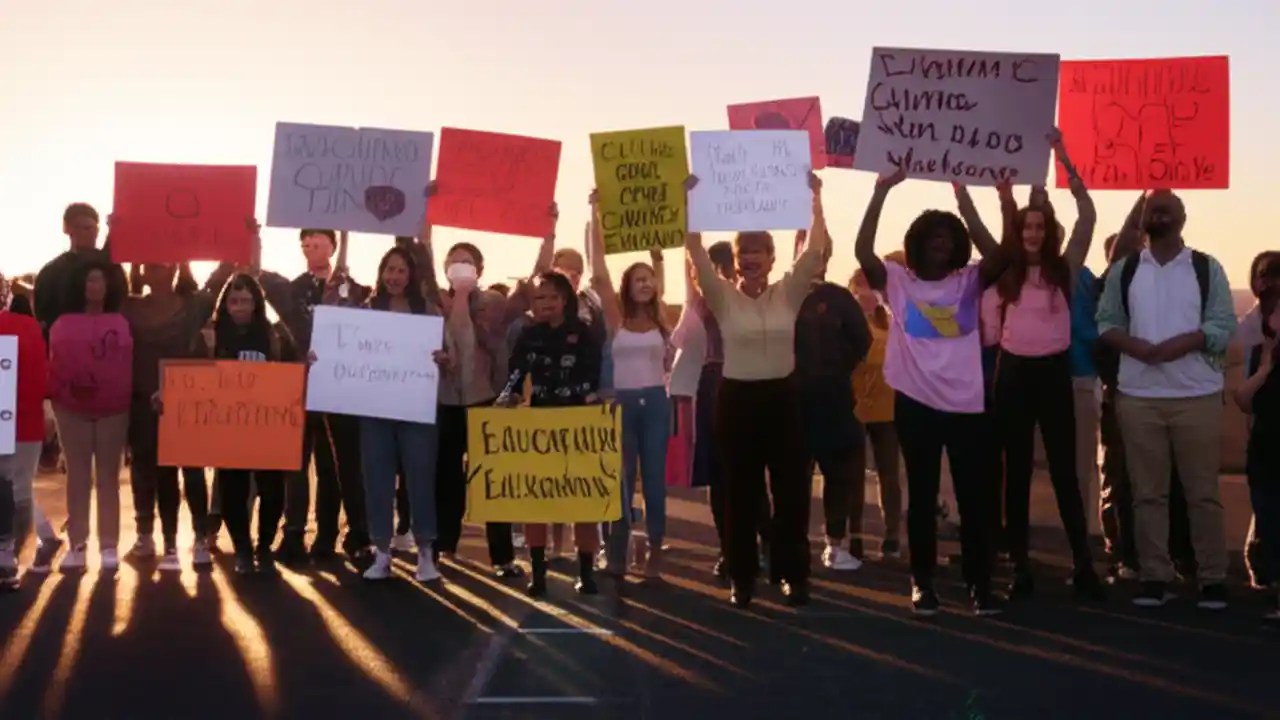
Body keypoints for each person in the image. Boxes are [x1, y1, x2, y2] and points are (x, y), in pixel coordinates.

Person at [956, 129, 1105, 600]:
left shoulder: (1067, 268)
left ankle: (1082, 562)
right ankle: (1019, 564)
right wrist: (961, 191)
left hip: (1054, 374)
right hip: (1013, 375)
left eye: (1040, 227)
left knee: (1064, 471)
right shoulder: (1006, 272)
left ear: (1049, 232)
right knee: (1015, 471)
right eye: (1027, 228)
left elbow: (1088, 215)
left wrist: (1062, 153)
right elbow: (978, 233)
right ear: (1019, 234)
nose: (1034, 234)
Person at [853, 165, 1004, 617]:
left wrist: (964, 199)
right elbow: (863, 249)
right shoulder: (898, 283)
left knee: (974, 498)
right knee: (920, 498)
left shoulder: (970, 281)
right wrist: (881, 191)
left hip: (965, 404)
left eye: (948, 235)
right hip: (916, 403)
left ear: (958, 243)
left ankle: (980, 585)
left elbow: (999, 252)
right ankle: (922, 583)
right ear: (918, 242)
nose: (941, 242)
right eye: (932, 235)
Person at [685, 170, 826, 609]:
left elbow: (817, 249)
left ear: (770, 257)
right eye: (744, 251)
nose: (750, 258)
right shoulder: (722, 295)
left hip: (783, 399)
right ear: (738, 258)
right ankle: (742, 576)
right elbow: (694, 251)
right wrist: (691, 203)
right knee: (740, 494)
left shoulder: (789, 293)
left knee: (791, 493)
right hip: (737, 400)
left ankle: (791, 575)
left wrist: (816, 199)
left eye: (758, 252)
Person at [1096, 189, 1237, 610]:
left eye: (1166, 207)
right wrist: (1138, 349)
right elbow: (1106, 321)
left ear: (1182, 216)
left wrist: (1183, 343)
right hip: (1139, 396)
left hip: (1197, 395)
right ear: (1142, 219)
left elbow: (1221, 324)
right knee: (1147, 494)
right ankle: (1155, 575)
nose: (1158, 213)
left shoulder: (1205, 268)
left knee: (1202, 493)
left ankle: (1212, 577)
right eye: (1150, 207)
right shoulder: (1125, 270)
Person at [317, 244, 453, 583]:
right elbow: (342, 348)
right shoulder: (366, 310)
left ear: (411, 275)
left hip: (417, 409)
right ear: (381, 274)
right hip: (375, 410)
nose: (394, 276)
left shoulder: (429, 312)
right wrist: (321, 360)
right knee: (375, 480)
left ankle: (425, 553)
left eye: (401, 270)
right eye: (389, 270)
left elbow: (448, 358)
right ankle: (382, 552)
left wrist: (444, 360)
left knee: (420, 479)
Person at [496, 272, 604, 597]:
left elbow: (593, 374)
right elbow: (515, 375)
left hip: (578, 423)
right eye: (539, 298)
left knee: (583, 501)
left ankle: (586, 571)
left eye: (552, 297)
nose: (546, 304)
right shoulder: (528, 336)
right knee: (536, 502)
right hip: (539, 424)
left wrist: (591, 397)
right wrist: (508, 397)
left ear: (565, 299)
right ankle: (538, 573)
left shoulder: (584, 334)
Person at [123, 257, 234, 571]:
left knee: (193, 471)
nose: (159, 268)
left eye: (165, 263)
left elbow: (222, 275)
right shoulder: (129, 308)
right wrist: (113, 233)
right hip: (143, 402)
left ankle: (199, 536)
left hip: (187, 404)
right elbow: (101, 275)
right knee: (147, 469)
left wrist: (247, 238)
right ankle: (149, 534)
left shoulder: (193, 305)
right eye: (152, 264)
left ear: (176, 268)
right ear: (141, 270)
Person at [271, 228, 371, 564]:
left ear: (334, 244)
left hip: (339, 388)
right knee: (296, 464)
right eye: (306, 242)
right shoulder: (292, 288)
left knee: (333, 467)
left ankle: (327, 537)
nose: (311, 247)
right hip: (298, 384)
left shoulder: (355, 290)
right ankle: (295, 533)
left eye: (319, 241)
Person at [588, 190, 671, 578]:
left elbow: (664, 275)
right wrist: (596, 211)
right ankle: (616, 551)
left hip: (655, 404)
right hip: (621, 403)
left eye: (650, 279)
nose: (646, 284)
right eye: (639, 279)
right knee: (619, 480)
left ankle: (656, 546)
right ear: (628, 285)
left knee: (654, 478)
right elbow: (599, 270)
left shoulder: (662, 319)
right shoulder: (615, 319)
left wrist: (658, 256)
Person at [199, 272, 298, 574]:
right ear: (225, 304)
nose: (239, 307)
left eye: (246, 301)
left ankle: (264, 546)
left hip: (268, 426)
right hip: (229, 428)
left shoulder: (275, 336)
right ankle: (242, 546)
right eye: (233, 301)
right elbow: (194, 376)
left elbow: (294, 369)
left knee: (271, 490)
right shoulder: (213, 335)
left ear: (257, 304)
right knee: (232, 490)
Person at [48, 257, 132, 572]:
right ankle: (77, 543)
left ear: (108, 285)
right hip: (71, 408)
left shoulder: (123, 320)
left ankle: (108, 545)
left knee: (108, 477)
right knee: (78, 476)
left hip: (115, 407)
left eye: (98, 279)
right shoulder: (62, 322)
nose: (94, 286)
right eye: (88, 280)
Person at [793, 233, 871, 570]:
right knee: (792, 478)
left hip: (835, 399)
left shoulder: (840, 298)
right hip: (792, 400)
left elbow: (863, 342)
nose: (813, 255)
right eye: (806, 247)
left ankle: (834, 545)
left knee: (838, 476)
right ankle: (790, 547)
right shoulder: (783, 295)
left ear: (827, 256)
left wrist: (837, 368)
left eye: (820, 250)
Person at [1233, 250, 1280, 589]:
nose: (1269, 283)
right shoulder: (1254, 332)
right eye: (1263, 276)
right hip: (1264, 441)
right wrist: (1265, 366)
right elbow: (1244, 401)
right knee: (1266, 510)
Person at [850, 267, 903, 559]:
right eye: (859, 285)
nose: (865, 292)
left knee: (889, 474)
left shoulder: (891, 320)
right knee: (854, 475)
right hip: (857, 407)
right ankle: (854, 534)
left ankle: (892, 535)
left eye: (869, 285)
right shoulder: (848, 323)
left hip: (888, 406)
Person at [0, 290, 49, 589]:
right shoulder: (35, 332)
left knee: (6, 484)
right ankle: (13, 552)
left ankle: (9, 549)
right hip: (28, 419)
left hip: (5, 411)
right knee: (20, 485)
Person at [33, 203, 122, 339]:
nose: (92, 233)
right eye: (85, 228)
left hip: (107, 347)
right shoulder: (51, 272)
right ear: (68, 229)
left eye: (94, 228)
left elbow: (122, 305)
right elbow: (44, 319)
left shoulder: (112, 268)